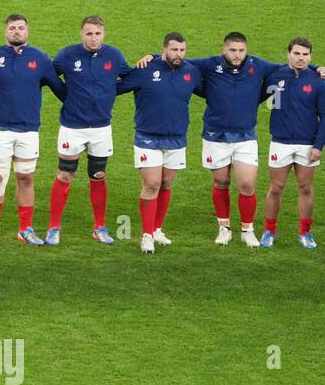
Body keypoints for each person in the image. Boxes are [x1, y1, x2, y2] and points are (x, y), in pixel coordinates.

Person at [137, 32, 324, 247]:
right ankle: (224, 228)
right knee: (221, 181)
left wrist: (316, 68)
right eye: (233, 50)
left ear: (246, 50)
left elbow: (293, 65)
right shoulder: (209, 65)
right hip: (215, 135)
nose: (237, 55)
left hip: (245, 135)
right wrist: (152, 56)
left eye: (241, 50)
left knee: (246, 184)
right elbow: (177, 59)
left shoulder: (258, 65)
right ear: (223, 49)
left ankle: (248, 230)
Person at [0, 14, 66, 246]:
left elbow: (59, 88)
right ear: (6, 32)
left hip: (28, 130)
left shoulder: (40, 59)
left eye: (20, 28)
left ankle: (25, 229)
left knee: (25, 178)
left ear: (27, 31)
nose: (16, 32)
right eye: (12, 28)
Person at [46, 15, 130, 245]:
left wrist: (110, 93)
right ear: (82, 34)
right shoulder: (67, 55)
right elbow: (49, 77)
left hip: (102, 127)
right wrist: (67, 96)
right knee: (65, 174)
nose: (94, 38)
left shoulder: (114, 55)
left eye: (98, 33)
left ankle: (99, 227)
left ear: (104, 34)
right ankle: (54, 227)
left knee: (98, 176)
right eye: (89, 33)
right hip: (73, 126)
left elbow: (130, 77)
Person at [116, 32, 203, 253]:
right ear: (164, 49)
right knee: (151, 184)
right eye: (174, 50)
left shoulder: (191, 72)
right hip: (147, 137)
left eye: (182, 50)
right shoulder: (145, 69)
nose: (178, 54)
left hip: (177, 139)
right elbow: (116, 87)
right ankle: (146, 235)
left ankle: (156, 229)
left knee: (165, 184)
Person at [261, 37, 325, 248]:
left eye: (305, 54)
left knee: (305, 188)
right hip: (280, 142)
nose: (301, 58)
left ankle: (305, 233)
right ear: (288, 54)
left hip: (307, 144)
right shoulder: (274, 75)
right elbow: (267, 100)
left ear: (310, 56)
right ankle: (269, 231)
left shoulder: (318, 81)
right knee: (276, 187)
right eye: (297, 53)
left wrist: (318, 146)